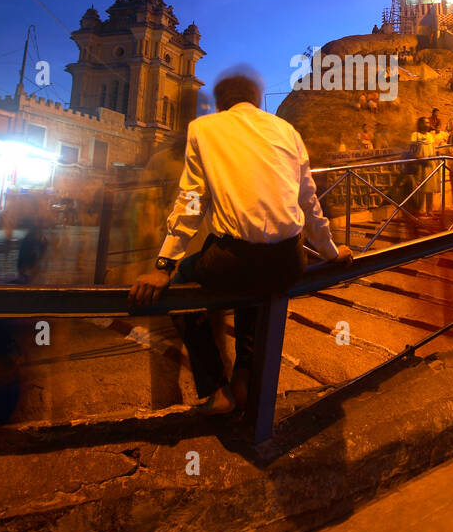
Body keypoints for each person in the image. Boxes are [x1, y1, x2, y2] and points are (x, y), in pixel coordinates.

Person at [129, 70, 353, 414]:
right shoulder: (286, 131)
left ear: (220, 103)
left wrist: (164, 265)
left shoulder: (204, 129)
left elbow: (192, 199)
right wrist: (332, 251)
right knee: (258, 286)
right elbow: (308, 199)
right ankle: (245, 377)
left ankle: (217, 389)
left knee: (182, 285)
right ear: (257, 98)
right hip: (290, 261)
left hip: (232, 260)